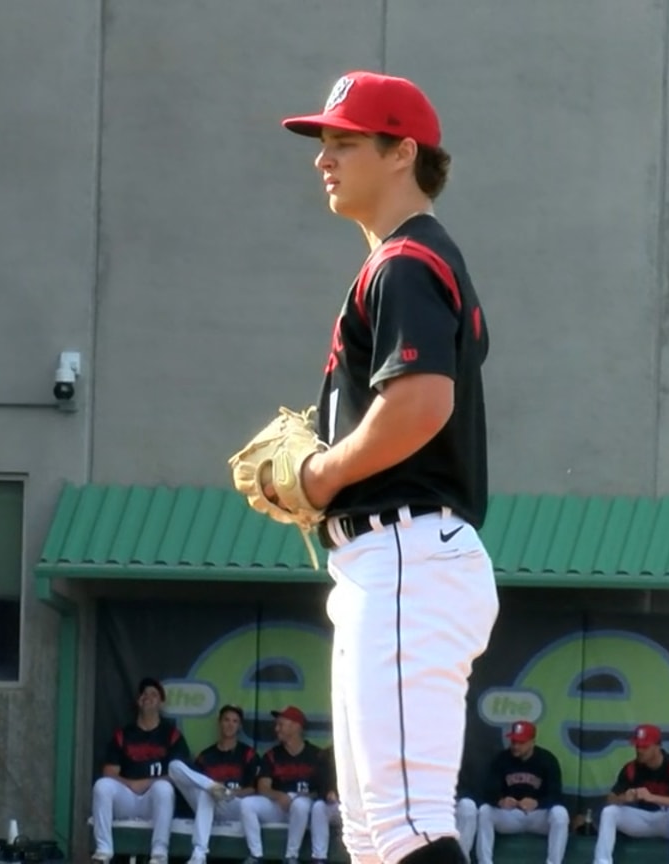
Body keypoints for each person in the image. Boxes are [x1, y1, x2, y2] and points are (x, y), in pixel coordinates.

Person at [275, 71, 501, 864]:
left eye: (344, 141)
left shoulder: (407, 260)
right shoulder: (404, 261)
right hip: (392, 559)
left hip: (408, 551)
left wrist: (322, 475)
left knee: (406, 831)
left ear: (402, 152)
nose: (322, 158)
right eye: (323, 142)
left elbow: (421, 403)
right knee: (376, 836)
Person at [91, 677, 191, 864]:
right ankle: (103, 851)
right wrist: (131, 784)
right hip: (127, 799)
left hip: (154, 803)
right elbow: (109, 771)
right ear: (138, 701)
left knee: (163, 788)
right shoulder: (123, 734)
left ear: (161, 702)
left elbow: (179, 775)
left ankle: (159, 854)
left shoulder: (172, 735)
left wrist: (145, 783)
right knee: (102, 786)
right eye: (144, 694)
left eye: (153, 694)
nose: (148, 697)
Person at [240, 707, 334, 864]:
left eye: (281, 725)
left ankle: (291, 856)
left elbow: (323, 787)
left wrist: (306, 796)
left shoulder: (317, 755)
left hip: (307, 807)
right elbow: (263, 786)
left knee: (300, 804)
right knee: (247, 803)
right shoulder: (272, 754)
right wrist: (279, 795)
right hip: (280, 805)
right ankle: (255, 855)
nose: (277, 729)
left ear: (296, 726)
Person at [168, 705, 260, 864]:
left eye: (235, 721)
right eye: (226, 720)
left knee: (209, 792)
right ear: (219, 722)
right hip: (210, 803)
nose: (230, 724)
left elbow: (254, 789)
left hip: (234, 804)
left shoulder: (248, 753)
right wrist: (214, 788)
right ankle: (199, 855)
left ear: (239, 726)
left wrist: (234, 793)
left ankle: (199, 851)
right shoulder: (206, 755)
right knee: (174, 766)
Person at [592, 725, 669, 864]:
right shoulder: (632, 768)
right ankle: (601, 861)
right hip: (642, 820)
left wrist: (652, 797)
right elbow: (610, 799)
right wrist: (623, 798)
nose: (639, 750)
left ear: (657, 747)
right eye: (637, 746)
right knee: (610, 811)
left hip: (667, 822)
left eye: (644, 747)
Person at [474, 722, 569, 864]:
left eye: (521, 742)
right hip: (511, 816)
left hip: (538, 815)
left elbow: (557, 795)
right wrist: (500, 801)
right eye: (514, 741)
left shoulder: (547, 759)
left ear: (532, 742)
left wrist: (537, 802)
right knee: (485, 811)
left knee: (560, 813)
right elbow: (488, 791)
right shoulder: (502, 759)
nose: (516, 746)